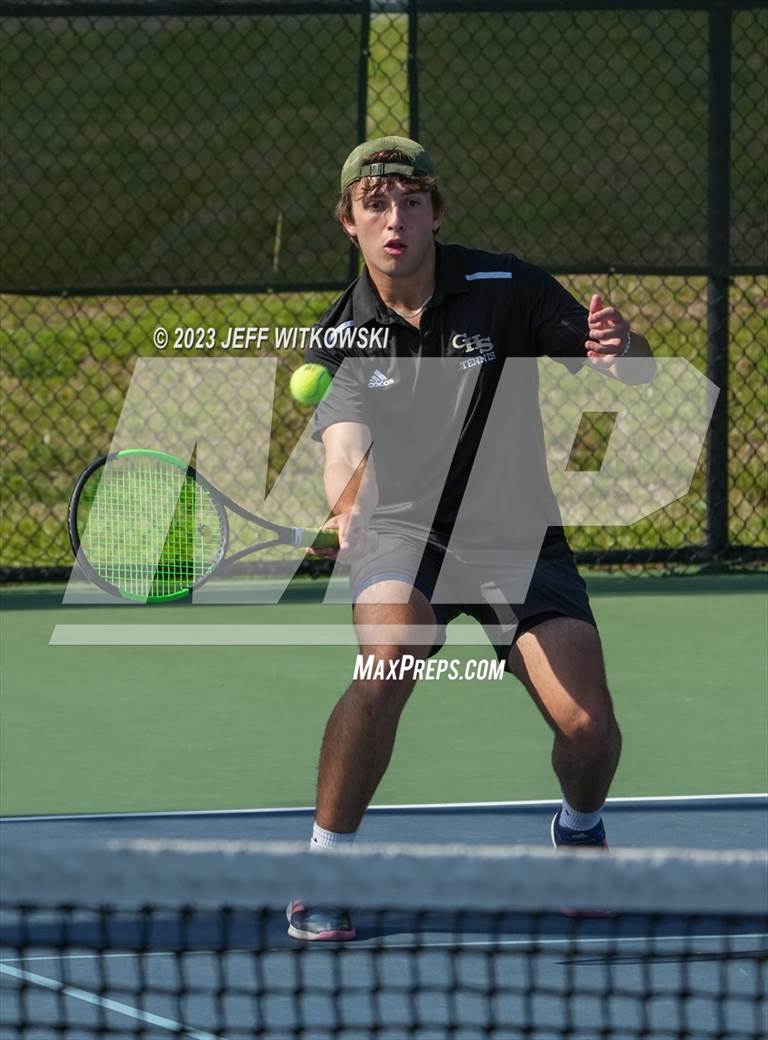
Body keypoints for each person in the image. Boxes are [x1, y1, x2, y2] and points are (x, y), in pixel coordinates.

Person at [286, 136, 655, 941]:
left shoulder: (507, 286)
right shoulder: (343, 332)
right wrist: (347, 504)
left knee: (590, 731)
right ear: (349, 222)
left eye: (410, 202)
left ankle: (579, 833)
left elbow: (631, 372)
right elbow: (343, 446)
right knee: (387, 659)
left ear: (437, 213)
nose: (395, 221)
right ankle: (326, 865)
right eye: (375, 205)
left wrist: (621, 350)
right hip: (402, 535)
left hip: (513, 534)